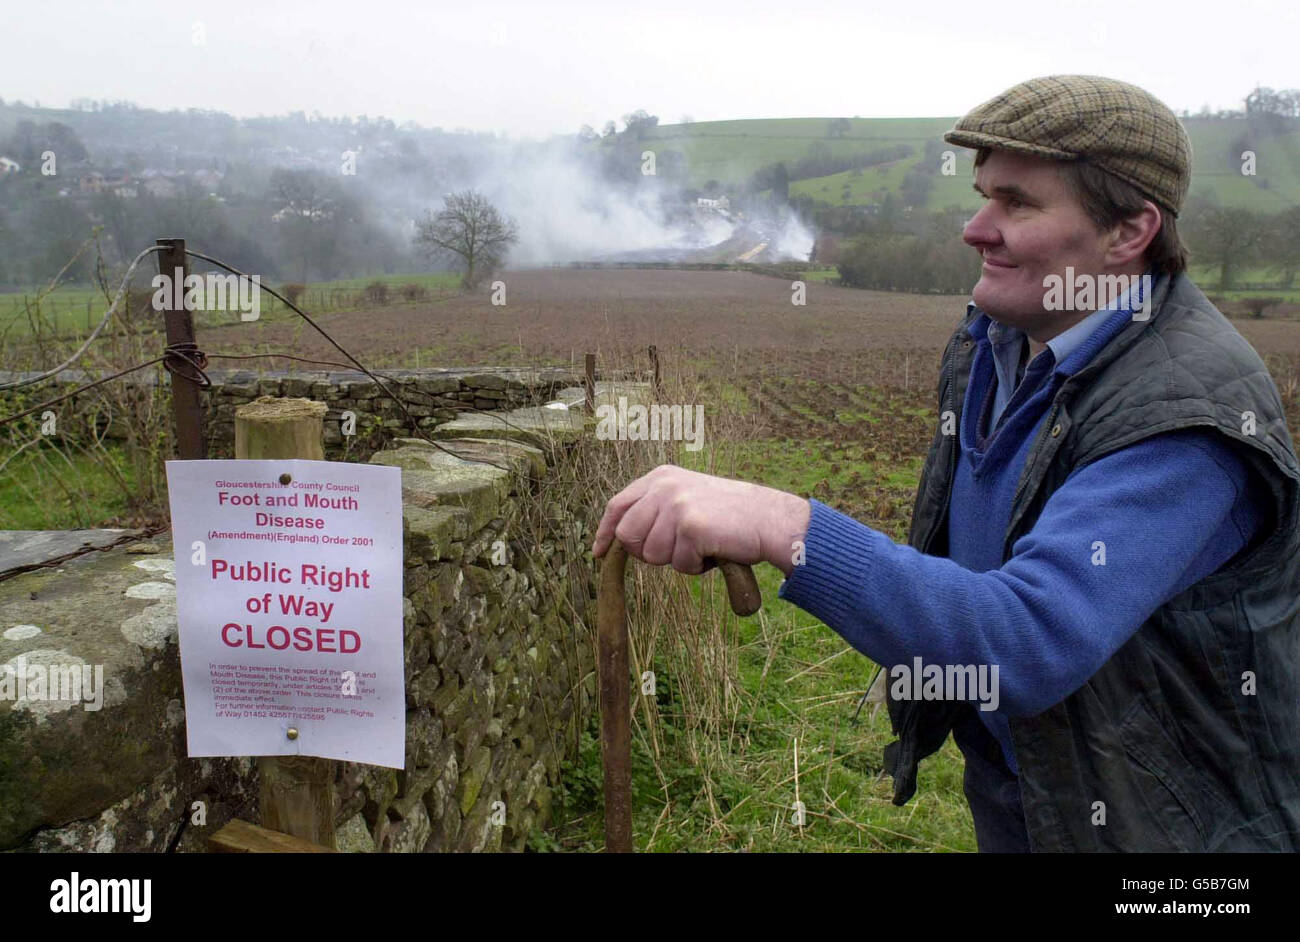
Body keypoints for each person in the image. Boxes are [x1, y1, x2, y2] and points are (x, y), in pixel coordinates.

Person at [592, 75, 1300, 852]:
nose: (975, 227)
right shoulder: (992, 344)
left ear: (1128, 230)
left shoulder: (1184, 416)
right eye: (981, 195)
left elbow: (1027, 642)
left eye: (1017, 202)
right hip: (1024, 789)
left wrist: (780, 524)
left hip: (1165, 831)